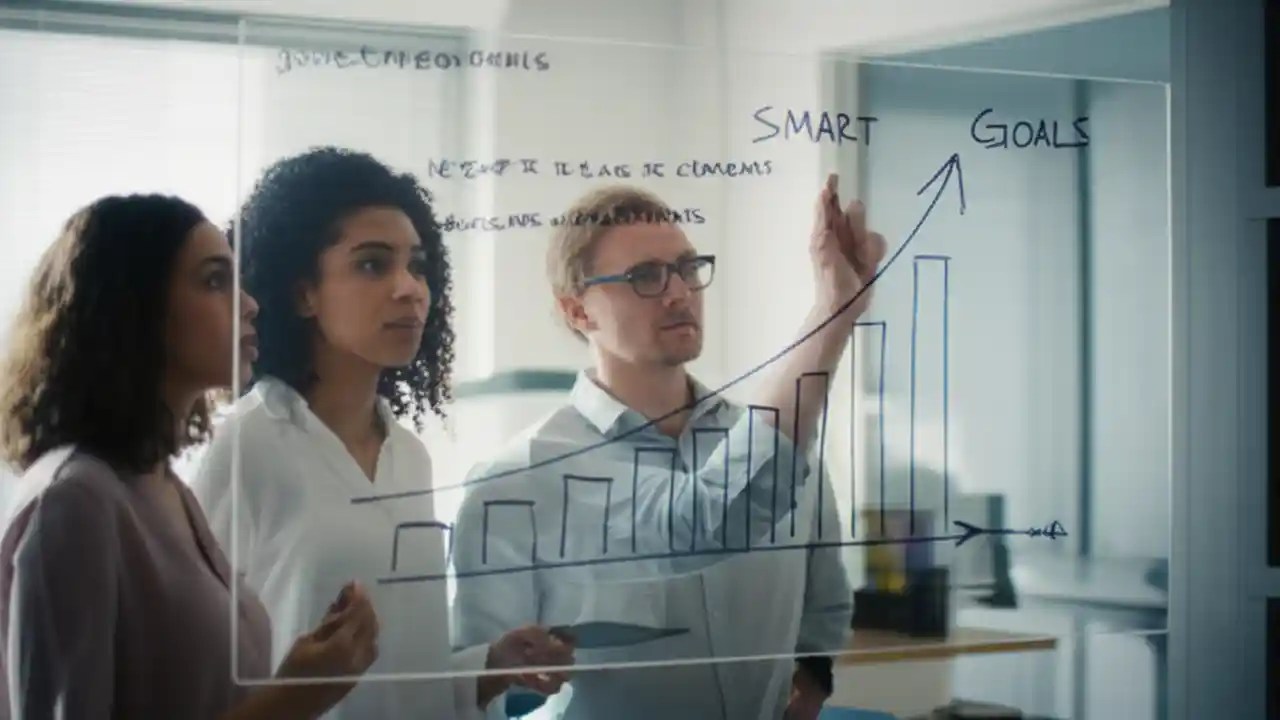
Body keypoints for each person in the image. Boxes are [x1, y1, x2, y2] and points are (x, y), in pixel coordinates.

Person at [451, 176, 885, 719]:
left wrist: (813, 678)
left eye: (686, 268)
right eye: (645, 276)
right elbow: (474, 690)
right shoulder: (515, 481)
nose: (679, 292)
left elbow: (824, 601)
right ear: (578, 311)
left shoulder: (788, 452)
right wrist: (834, 309)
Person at [189, 147, 575, 720]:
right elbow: (195, 677)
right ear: (302, 293)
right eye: (372, 265)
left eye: (417, 266)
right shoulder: (248, 447)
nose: (409, 288)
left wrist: (486, 667)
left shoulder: (409, 455)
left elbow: (402, 677)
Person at [0, 194, 379, 719]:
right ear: (133, 307)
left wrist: (302, 677)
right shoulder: (73, 502)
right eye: (214, 280)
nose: (250, 304)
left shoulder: (163, 485)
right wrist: (291, 700)